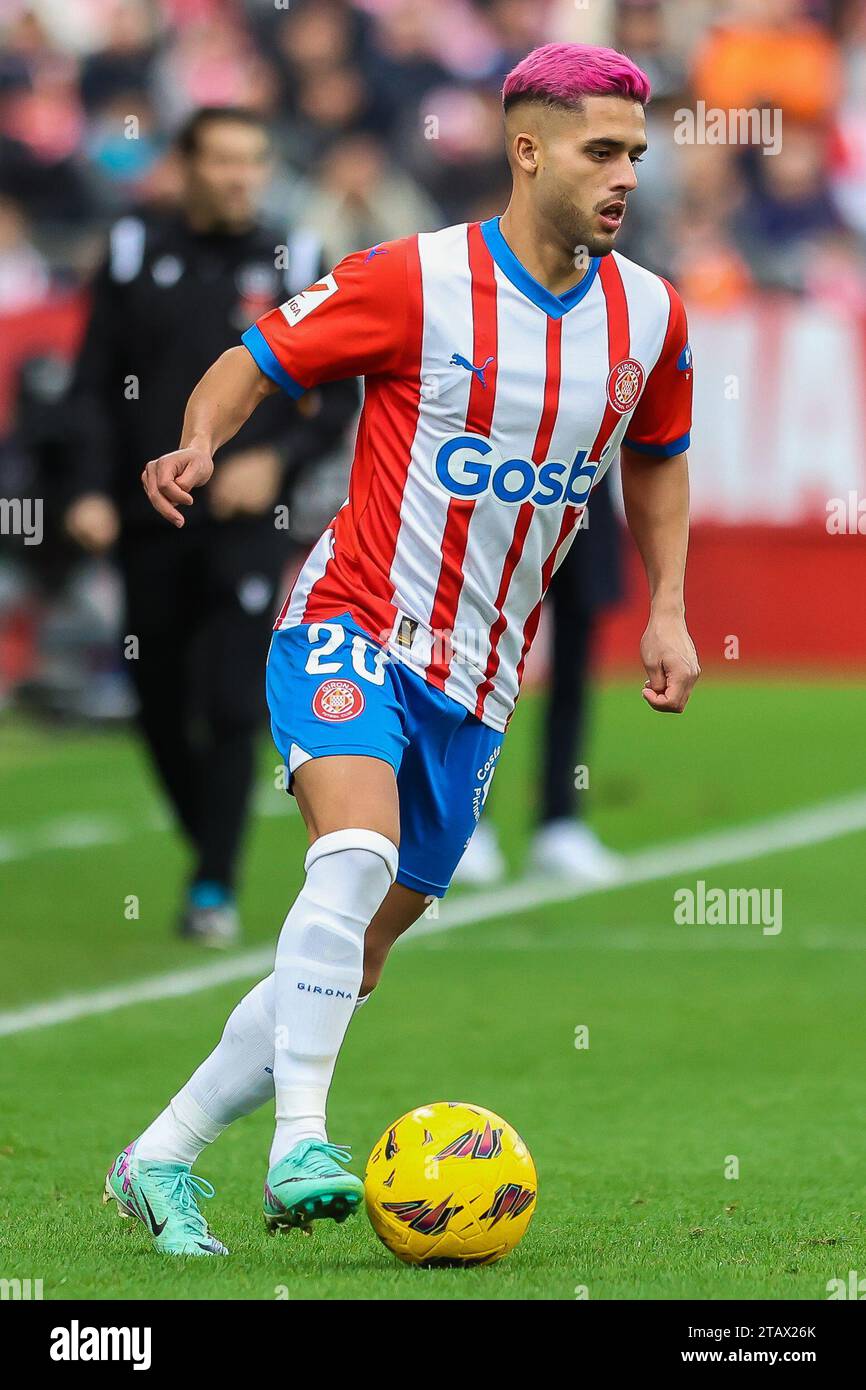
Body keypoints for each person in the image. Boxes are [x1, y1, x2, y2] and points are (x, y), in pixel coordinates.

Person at [103, 44, 699, 1256]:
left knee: (351, 960)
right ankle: (299, 1145)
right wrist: (198, 441)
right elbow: (254, 356)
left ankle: (158, 1156)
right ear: (525, 150)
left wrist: (670, 604)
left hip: (477, 684)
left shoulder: (650, 313)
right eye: (599, 150)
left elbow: (657, 455)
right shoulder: (412, 280)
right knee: (355, 850)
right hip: (355, 620)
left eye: (634, 152)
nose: (624, 174)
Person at [63, 107, 359, 946]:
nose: (240, 176)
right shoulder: (132, 253)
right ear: (185, 167)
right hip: (148, 511)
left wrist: (279, 461)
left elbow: (335, 393)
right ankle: (209, 845)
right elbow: (92, 383)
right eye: (223, 160)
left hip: (244, 519)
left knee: (233, 698)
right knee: (155, 696)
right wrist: (88, 488)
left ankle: (212, 885)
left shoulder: (295, 261)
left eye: (253, 160)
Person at [455, 470, 624, 887]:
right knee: (476, 661)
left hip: (583, 480)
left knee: (574, 659)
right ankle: (464, 822)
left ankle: (560, 820)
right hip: (507, 481)